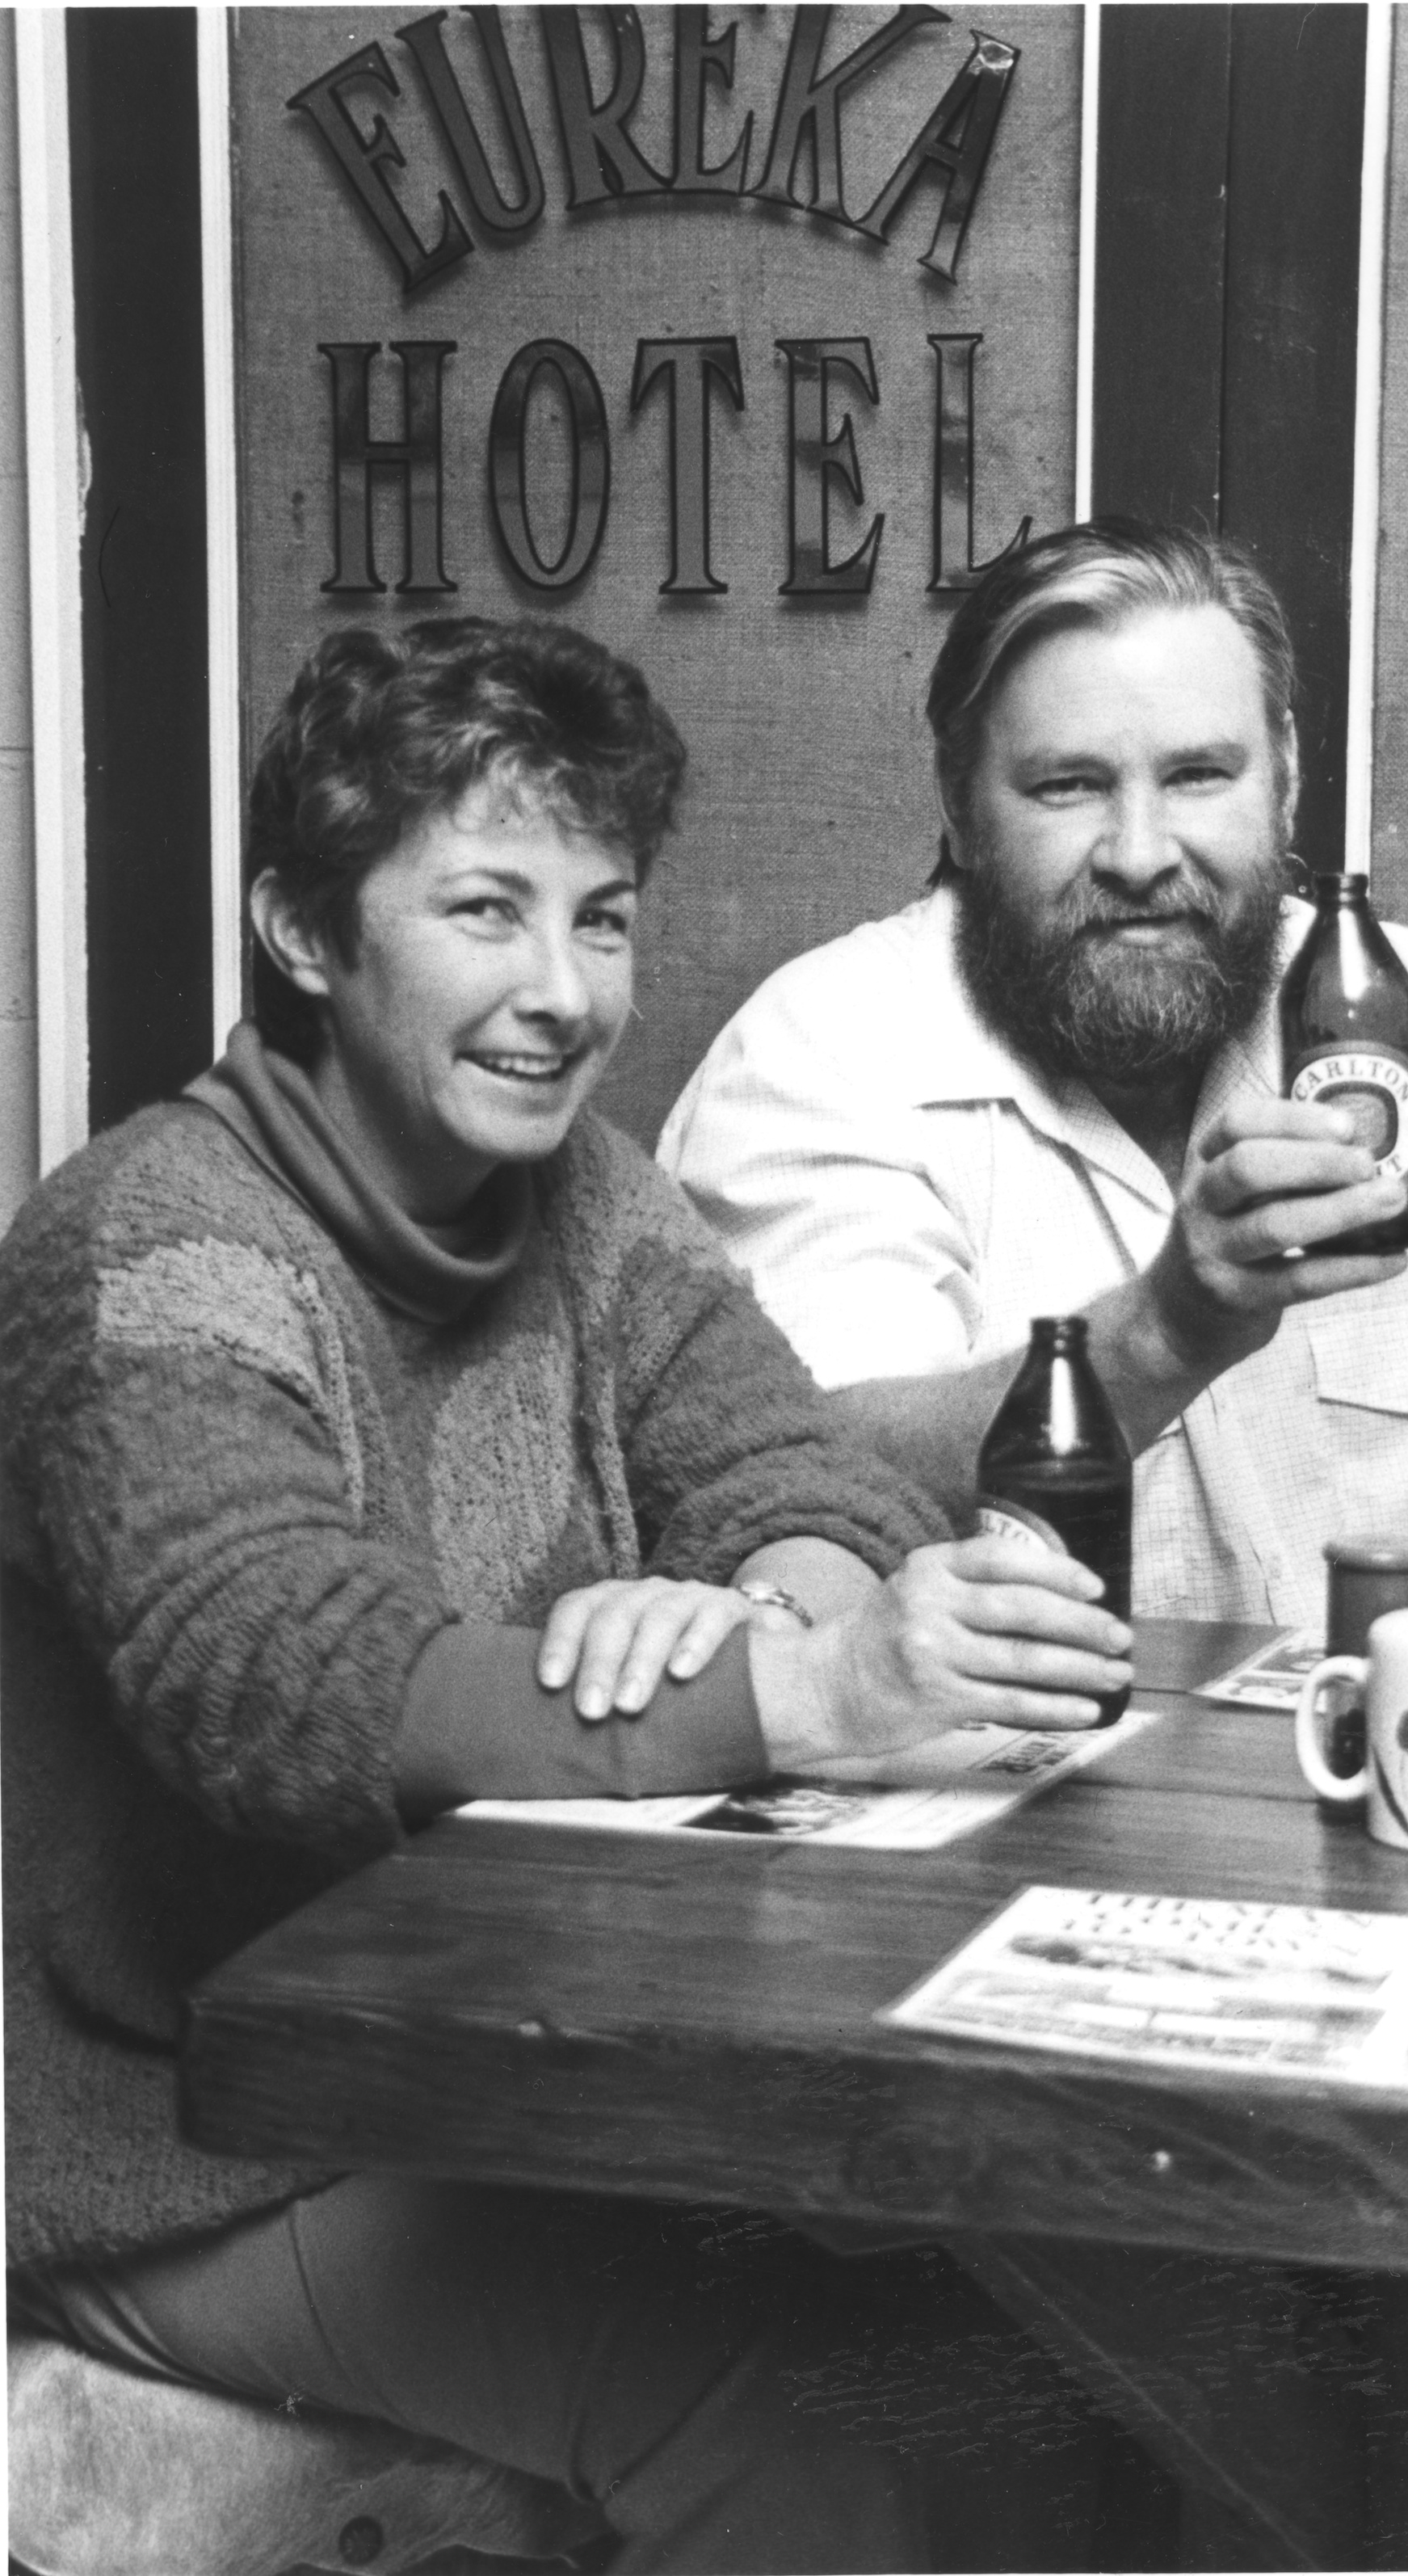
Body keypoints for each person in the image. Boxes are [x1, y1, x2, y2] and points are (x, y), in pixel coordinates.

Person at [0, 617, 1133, 2572]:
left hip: (491, 2085)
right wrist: (802, 1705)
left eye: (602, 918)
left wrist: (769, 1611)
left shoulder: (592, 1201)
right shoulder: (153, 1244)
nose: (561, 991)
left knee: (1009, 2350)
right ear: (299, 927)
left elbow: (789, 1471)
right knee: (812, 2427)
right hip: (176, 2150)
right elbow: (277, 1687)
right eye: (485, 909)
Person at [660, 520, 1408, 1648]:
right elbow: (803, 1486)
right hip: (1024, 1828)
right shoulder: (821, 1055)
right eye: (1068, 787)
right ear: (961, 809)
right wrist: (1161, 1335)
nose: (1142, 853)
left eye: (1200, 775)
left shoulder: (1407, 1021)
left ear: (1288, 780)